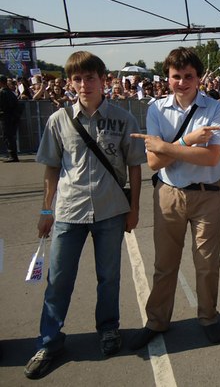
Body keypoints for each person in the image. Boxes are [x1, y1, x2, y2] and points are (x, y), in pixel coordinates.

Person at [24, 51, 146, 379]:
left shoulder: (123, 119)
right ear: (69, 82)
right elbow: (51, 168)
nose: (84, 84)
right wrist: (46, 210)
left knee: (109, 277)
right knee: (59, 279)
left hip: (111, 210)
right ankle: (49, 341)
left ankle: (108, 328)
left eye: (90, 78)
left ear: (103, 80)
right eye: (77, 79)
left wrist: (134, 208)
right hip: (69, 211)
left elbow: (135, 166)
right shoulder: (58, 120)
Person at [130, 47, 220, 349]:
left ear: (198, 78)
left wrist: (166, 146)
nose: (182, 82)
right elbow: (154, 163)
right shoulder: (156, 109)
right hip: (169, 194)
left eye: (189, 76)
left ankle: (208, 316)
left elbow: (211, 157)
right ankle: (157, 320)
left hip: (207, 195)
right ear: (168, 77)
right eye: (176, 76)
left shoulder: (216, 108)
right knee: (165, 263)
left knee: (207, 263)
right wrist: (188, 140)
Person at [0, 74, 21, 162]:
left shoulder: (2, 92)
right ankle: (12, 154)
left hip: (6, 117)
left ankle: (12, 155)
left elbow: (2, 106)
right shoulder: (10, 92)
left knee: (8, 136)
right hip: (12, 117)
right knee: (10, 136)